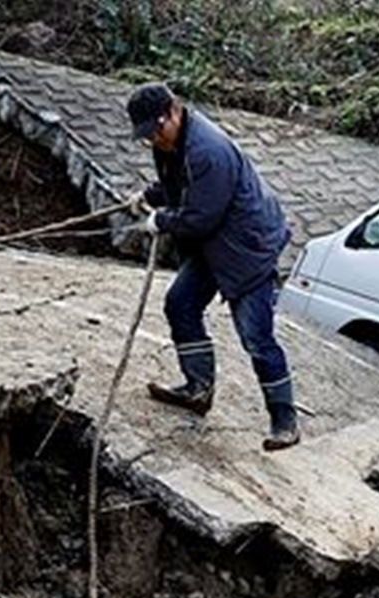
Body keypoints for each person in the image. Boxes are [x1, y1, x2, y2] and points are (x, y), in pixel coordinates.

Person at [124, 83, 300, 451]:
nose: (153, 139)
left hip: (248, 248)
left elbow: (200, 216)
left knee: (256, 336)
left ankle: (285, 421)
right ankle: (198, 388)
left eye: (157, 129)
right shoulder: (171, 143)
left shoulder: (208, 150)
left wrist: (162, 221)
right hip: (216, 242)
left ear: (174, 111)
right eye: (147, 135)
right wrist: (149, 196)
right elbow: (177, 184)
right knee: (181, 303)